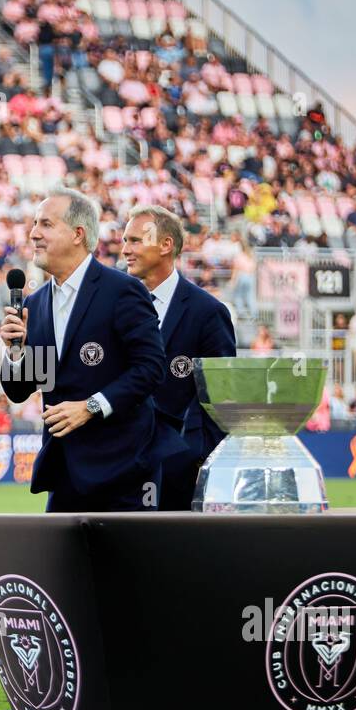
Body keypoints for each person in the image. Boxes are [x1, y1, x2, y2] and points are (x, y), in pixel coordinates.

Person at [0, 187, 184, 512]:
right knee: (61, 565)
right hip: (64, 471)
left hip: (124, 470)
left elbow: (151, 367)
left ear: (77, 234)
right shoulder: (36, 303)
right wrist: (16, 354)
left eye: (45, 224)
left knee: (125, 565)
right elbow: (21, 389)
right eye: (34, 224)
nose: (34, 233)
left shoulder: (122, 290)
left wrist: (91, 406)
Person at [121, 205, 235, 511]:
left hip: (179, 471)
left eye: (134, 241)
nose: (125, 250)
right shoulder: (111, 302)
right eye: (125, 240)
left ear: (165, 245)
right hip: (117, 468)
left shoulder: (208, 313)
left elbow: (222, 400)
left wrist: (199, 460)